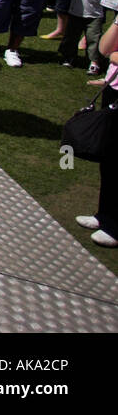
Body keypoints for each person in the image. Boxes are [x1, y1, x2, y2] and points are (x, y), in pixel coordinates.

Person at [75, 17, 118, 248]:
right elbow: (106, 48)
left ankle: (114, 224)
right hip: (114, 88)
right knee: (109, 157)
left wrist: (114, 55)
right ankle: (105, 214)